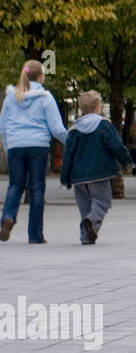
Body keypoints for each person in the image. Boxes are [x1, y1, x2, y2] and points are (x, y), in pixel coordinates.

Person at [0, 59, 68, 244]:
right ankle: (35, 235)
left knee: (15, 185)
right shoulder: (45, 97)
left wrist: (8, 147)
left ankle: (7, 217)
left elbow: (3, 127)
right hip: (38, 145)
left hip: (15, 144)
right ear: (41, 76)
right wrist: (71, 141)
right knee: (37, 188)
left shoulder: (10, 97)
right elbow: (56, 128)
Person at [59, 90, 133, 245]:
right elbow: (116, 146)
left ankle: (86, 236)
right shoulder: (104, 125)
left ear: (81, 109)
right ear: (98, 107)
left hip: (78, 177)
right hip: (100, 173)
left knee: (84, 207)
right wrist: (127, 161)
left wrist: (65, 178)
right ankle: (92, 221)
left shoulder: (73, 130)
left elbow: (68, 156)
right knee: (103, 201)